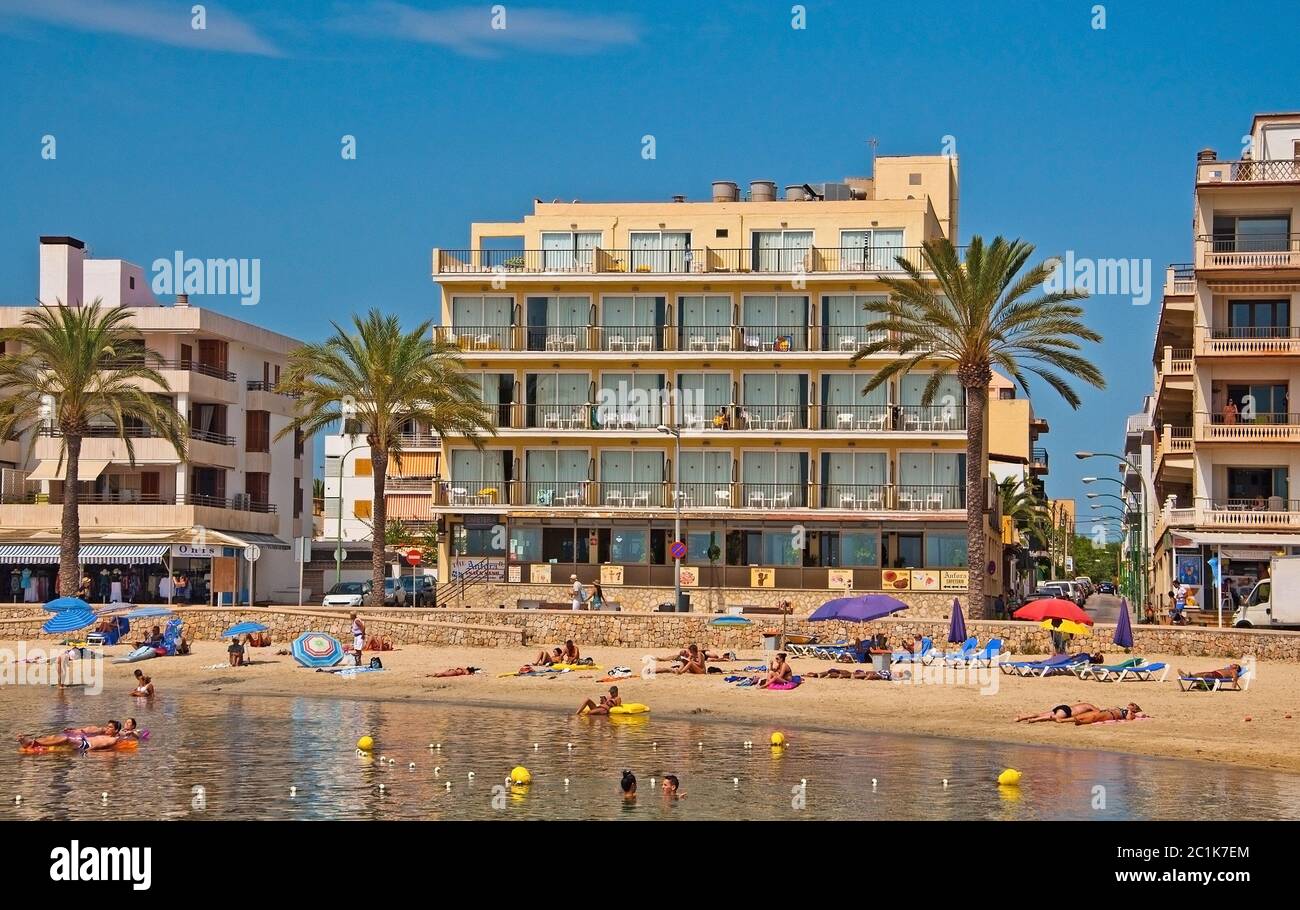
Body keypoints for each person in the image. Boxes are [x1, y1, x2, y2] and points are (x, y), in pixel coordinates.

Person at [20, 721, 124, 752]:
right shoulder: (102, 733)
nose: (107, 728)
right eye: (107, 726)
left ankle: (34, 743)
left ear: (115, 730)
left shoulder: (112, 739)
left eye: (110, 727)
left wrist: (88, 751)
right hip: (83, 742)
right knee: (54, 736)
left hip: (85, 746)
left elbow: (100, 748)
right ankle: (30, 740)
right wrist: (74, 730)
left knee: (66, 739)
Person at [1015, 702, 1100, 724]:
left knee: (1040, 713)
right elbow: (1097, 711)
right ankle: (1034, 720)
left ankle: (1022, 717)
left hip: (1063, 707)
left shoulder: (1084, 705)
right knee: (1054, 717)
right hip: (1067, 711)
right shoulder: (1089, 706)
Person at [1071, 703, 1146, 725]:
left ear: (1135, 709)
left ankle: (1081, 722)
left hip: (1111, 715)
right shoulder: (1123, 708)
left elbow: (1129, 719)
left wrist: (1130, 711)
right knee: (1087, 714)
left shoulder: (1131, 713)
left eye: (1133, 705)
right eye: (1131, 704)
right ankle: (1064, 720)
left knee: (1094, 718)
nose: (1130, 704)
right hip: (1106, 711)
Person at [1178, 662, 1243, 681]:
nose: (1232, 664)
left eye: (1234, 664)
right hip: (1215, 673)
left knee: (1205, 674)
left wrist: (1233, 686)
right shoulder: (1229, 669)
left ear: (1236, 667)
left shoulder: (1234, 671)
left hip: (1219, 676)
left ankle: (1189, 676)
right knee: (1202, 673)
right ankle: (1189, 676)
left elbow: (1235, 678)